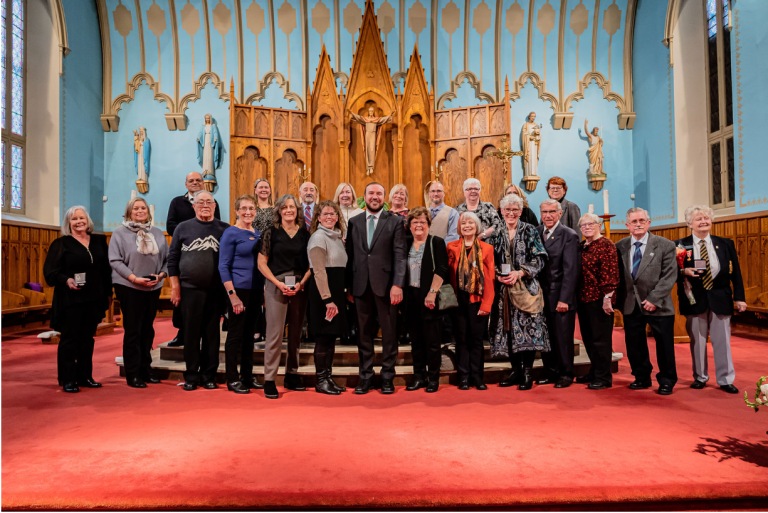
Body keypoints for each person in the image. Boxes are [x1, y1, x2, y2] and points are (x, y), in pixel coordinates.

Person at [676, 205, 746, 394]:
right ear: (690, 223)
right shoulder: (679, 245)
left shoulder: (725, 244)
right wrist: (683, 271)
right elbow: (669, 272)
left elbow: (736, 273)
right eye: (699, 219)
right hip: (693, 298)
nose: (704, 221)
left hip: (720, 297)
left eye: (706, 218)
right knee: (697, 341)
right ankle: (700, 377)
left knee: (722, 340)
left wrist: (740, 298)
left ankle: (725, 379)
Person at [346, 182, 407, 394]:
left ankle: (388, 377)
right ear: (364, 196)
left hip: (387, 286)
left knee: (389, 333)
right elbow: (350, 256)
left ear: (384, 198)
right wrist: (349, 288)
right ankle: (366, 377)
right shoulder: (354, 222)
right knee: (363, 334)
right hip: (361, 286)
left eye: (379, 194)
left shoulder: (395, 221)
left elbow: (400, 255)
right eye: (371, 193)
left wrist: (397, 284)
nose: (375, 197)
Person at [44, 206, 112, 393]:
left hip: (93, 298)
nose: (79, 221)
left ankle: (85, 376)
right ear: (68, 223)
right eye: (74, 219)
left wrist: (108, 295)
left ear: (87, 220)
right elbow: (50, 273)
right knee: (69, 339)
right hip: (71, 299)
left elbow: (106, 270)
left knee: (87, 339)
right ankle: (68, 379)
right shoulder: (61, 244)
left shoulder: (99, 241)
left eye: (82, 218)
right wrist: (67, 280)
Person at [167, 190, 229, 391]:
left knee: (212, 336)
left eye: (209, 202)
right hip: (189, 290)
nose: (204, 205)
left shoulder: (224, 229)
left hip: (216, 291)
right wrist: (175, 288)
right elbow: (173, 259)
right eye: (200, 201)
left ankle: (209, 376)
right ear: (193, 206)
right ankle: (192, 376)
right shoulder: (182, 228)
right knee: (191, 335)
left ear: (214, 206)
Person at [616, 208, 678, 395]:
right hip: (631, 303)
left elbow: (669, 275)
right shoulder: (620, 246)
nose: (638, 224)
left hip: (658, 304)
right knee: (634, 343)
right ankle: (641, 377)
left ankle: (667, 380)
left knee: (664, 345)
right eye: (634, 221)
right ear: (627, 225)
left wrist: (654, 299)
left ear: (649, 223)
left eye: (642, 220)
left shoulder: (664, 245)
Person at [491, 194, 550, 390]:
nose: (511, 213)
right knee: (509, 330)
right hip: (503, 290)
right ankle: (515, 371)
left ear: (520, 212)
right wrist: (497, 275)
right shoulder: (495, 232)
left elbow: (540, 257)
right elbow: (487, 259)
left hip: (526, 289)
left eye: (515, 210)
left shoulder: (530, 230)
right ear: (501, 211)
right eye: (507, 210)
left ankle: (527, 373)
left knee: (528, 332)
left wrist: (521, 272)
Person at [109, 198, 168, 388]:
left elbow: (167, 259)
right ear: (129, 212)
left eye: (143, 208)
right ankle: (133, 373)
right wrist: (133, 278)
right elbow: (115, 261)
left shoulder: (157, 233)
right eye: (136, 208)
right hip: (129, 286)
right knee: (133, 330)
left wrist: (161, 276)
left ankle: (146, 368)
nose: (140, 211)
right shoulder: (119, 233)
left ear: (148, 212)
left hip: (152, 286)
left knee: (147, 329)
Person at [258, 194, 312, 399]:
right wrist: (276, 283)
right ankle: (270, 379)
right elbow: (261, 263)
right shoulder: (271, 232)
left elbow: (311, 264)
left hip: (299, 286)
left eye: (292, 207)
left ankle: (292, 374)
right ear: (279, 210)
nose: (289, 210)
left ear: (297, 210)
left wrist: (302, 283)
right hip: (276, 285)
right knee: (275, 334)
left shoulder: (305, 234)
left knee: (296, 333)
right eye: (285, 207)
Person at [166, 171, 222, 347]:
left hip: (207, 260)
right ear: (186, 184)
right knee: (185, 311)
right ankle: (181, 333)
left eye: (199, 180)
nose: (195, 183)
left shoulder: (212, 203)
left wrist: (202, 227)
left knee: (210, 326)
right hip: (186, 251)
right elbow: (170, 225)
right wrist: (191, 230)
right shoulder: (177, 202)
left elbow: (216, 223)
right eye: (191, 180)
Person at [219, 194, 263, 394]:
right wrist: (232, 294)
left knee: (249, 335)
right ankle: (232, 378)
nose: (248, 212)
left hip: (256, 290)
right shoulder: (230, 233)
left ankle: (247, 374)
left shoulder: (259, 233)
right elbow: (223, 266)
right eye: (243, 208)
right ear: (236, 211)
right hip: (238, 290)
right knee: (235, 335)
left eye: (251, 208)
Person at [447, 212, 495, 389]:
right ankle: (464, 377)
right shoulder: (451, 247)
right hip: (458, 300)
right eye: (464, 223)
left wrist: (487, 304)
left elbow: (490, 278)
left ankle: (477, 377)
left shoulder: (487, 249)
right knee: (461, 339)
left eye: (471, 223)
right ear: (459, 227)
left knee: (476, 340)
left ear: (477, 227)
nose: (467, 226)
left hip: (478, 300)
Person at [535, 199, 579, 388]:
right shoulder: (536, 232)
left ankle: (566, 374)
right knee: (546, 338)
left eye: (552, 211)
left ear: (560, 213)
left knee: (562, 338)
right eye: (544, 212)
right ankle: (551, 372)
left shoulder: (569, 235)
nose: (548, 215)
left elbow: (571, 270)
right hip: (540, 297)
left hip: (560, 296)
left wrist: (565, 299)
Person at [404, 207, 449, 393]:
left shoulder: (436, 242)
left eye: (423, 221)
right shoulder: (405, 243)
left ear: (429, 224)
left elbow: (442, 269)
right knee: (416, 341)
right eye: (415, 222)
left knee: (432, 342)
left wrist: (432, 292)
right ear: (409, 225)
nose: (419, 225)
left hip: (430, 297)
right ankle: (419, 377)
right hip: (410, 297)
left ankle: (433, 378)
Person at [307, 200, 349, 395]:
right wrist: (327, 299)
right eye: (325, 214)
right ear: (318, 218)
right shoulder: (318, 238)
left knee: (331, 338)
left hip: (335, 294)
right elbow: (319, 272)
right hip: (323, 295)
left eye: (333, 214)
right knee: (323, 338)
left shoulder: (337, 237)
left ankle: (328, 378)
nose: (330, 217)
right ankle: (321, 380)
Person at [575, 212, 619, 390]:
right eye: (583, 225)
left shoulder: (606, 245)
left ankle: (603, 377)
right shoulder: (582, 246)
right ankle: (594, 371)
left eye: (591, 224)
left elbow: (611, 274)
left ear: (599, 225)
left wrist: (608, 298)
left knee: (601, 340)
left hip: (600, 299)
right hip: (584, 299)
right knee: (589, 338)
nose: (587, 227)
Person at [455, 178, 503, 244]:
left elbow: (498, 225)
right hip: (464, 247)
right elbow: (454, 231)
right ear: (464, 192)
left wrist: (482, 235)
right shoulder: (457, 210)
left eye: (476, 189)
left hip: (487, 246)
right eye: (469, 189)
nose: (473, 191)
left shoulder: (488, 207)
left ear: (479, 191)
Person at [425, 180, 459, 244]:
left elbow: (453, 237)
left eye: (439, 191)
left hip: (444, 252)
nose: (436, 194)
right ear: (429, 194)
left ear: (444, 193)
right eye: (433, 191)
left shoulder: (453, 213)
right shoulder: (424, 212)